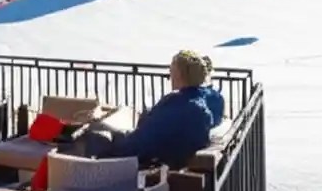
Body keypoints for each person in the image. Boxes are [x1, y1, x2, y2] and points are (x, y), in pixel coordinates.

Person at [76, 50, 223, 170]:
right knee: (103, 128)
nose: (169, 76)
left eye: (171, 71)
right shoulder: (210, 99)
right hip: (164, 153)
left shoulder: (178, 107)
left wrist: (111, 147)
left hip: (150, 162)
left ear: (178, 75)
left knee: (95, 133)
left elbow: (140, 143)